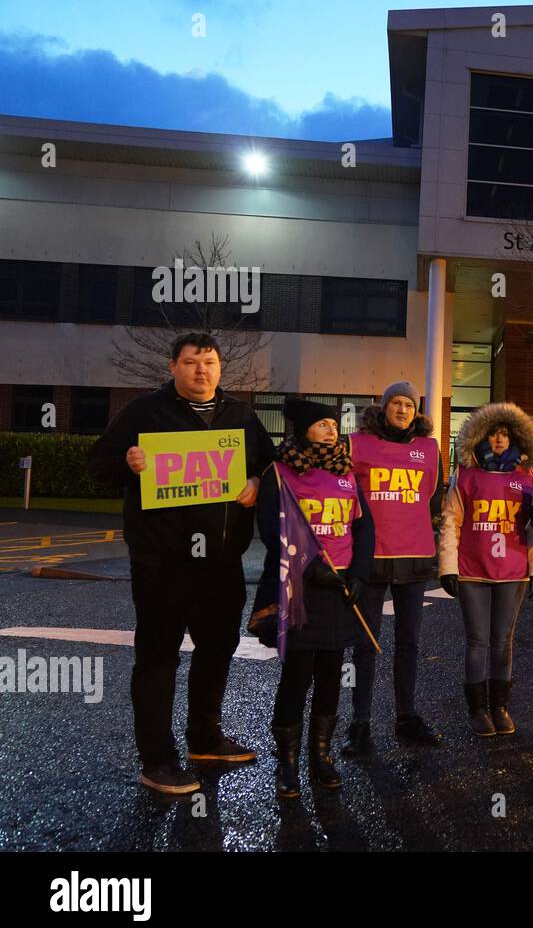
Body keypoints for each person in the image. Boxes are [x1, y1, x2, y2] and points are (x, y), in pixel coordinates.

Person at [88, 332, 274, 795]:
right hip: (161, 561)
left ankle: (204, 738)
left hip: (221, 560)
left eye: (209, 361)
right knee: (158, 659)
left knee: (217, 648)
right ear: (173, 366)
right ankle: (157, 759)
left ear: (220, 368)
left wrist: (255, 480)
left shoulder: (241, 416)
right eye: (191, 362)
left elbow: (270, 467)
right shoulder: (144, 412)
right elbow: (98, 464)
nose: (201, 370)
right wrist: (127, 463)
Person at [252, 398, 375, 798]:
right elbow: (273, 528)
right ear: (303, 429)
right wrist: (308, 566)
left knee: (330, 675)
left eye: (333, 424)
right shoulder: (280, 471)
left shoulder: (346, 473)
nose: (330, 430)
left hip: (338, 589)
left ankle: (320, 756)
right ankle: (286, 762)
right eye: (322, 424)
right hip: (299, 588)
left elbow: (363, 528)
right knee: (296, 676)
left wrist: (358, 573)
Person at [342, 382, 446, 756]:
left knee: (409, 643)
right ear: (382, 407)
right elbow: (344, 493)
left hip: (414, 555)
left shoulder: (428, 449)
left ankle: (406, 716)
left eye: (408, 404)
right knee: (365, 646)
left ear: (416, 412)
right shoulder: (358, 444)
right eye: (395, 403)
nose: (402, 409)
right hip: (369, 558)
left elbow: (431, 494)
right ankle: (360, 724)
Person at [438, 402, 533, 736]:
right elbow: (451, 521)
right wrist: (447, 566)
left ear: (514, 438)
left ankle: (500, 706)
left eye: (505, 434)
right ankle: (477, 709)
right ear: (481, 436)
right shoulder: (467, 474)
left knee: (503, 642)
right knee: (477, 641)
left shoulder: (525, 477)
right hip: (473, 570)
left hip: (513, 571)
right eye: (493, 434)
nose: (499, 440)